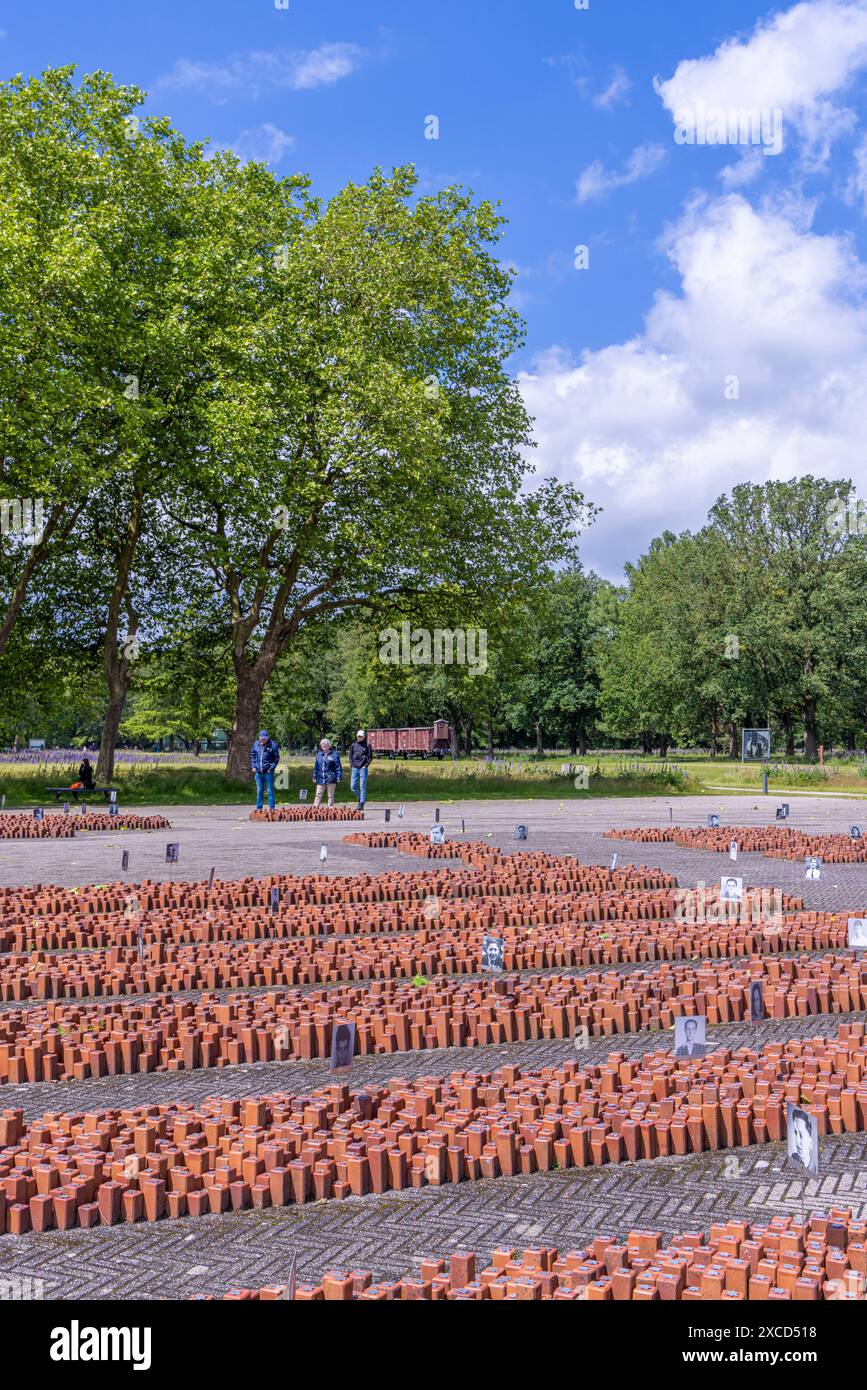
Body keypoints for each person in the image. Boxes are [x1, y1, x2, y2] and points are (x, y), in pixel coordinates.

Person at [251, 729, 279, 811]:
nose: (263, 740)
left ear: (267, 737)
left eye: (264, 739)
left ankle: (272, 808)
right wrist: (253, 766)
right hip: (258, 772)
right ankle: (259, 808)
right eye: (261, 739)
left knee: (270, 790)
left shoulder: (273, 745)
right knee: (259, 791)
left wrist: (271, 768)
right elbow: (253, 755)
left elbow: (276, 758)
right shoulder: (256, 744)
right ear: (259, 738)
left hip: (268, 772)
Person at [313, 738, 342, 807]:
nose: (324, 748)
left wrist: (339, 776)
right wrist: (314, 776)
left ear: (329, 746)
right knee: (318, 794)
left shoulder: (335, 755)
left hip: (331, 778)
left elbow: (338, 767)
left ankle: (330, 808)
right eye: (323, 747)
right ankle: (315, 807)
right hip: (321, 778)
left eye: (326, 746)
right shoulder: (319, 755)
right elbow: (316, 766)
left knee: (330, 795)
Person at [348, 729, 373, 809]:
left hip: (363, 768)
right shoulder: (353, 745)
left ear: (364, 737)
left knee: (362, 786)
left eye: (361, 736)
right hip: (355, 768)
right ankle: (360, 797)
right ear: (357, 736)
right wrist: (352, 764)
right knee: (353, 787)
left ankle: (361, 803)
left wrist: (366, 765)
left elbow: (370, 757)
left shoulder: (367, 745)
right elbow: (350, 756)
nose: (359, 737)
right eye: (358, 736)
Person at [789, 1107, 815, 1171]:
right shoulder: (794, 1157)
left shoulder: (813, 1168)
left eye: (801, 1135)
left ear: (811, 1140)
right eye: (795, 1133)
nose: (797, 1141)